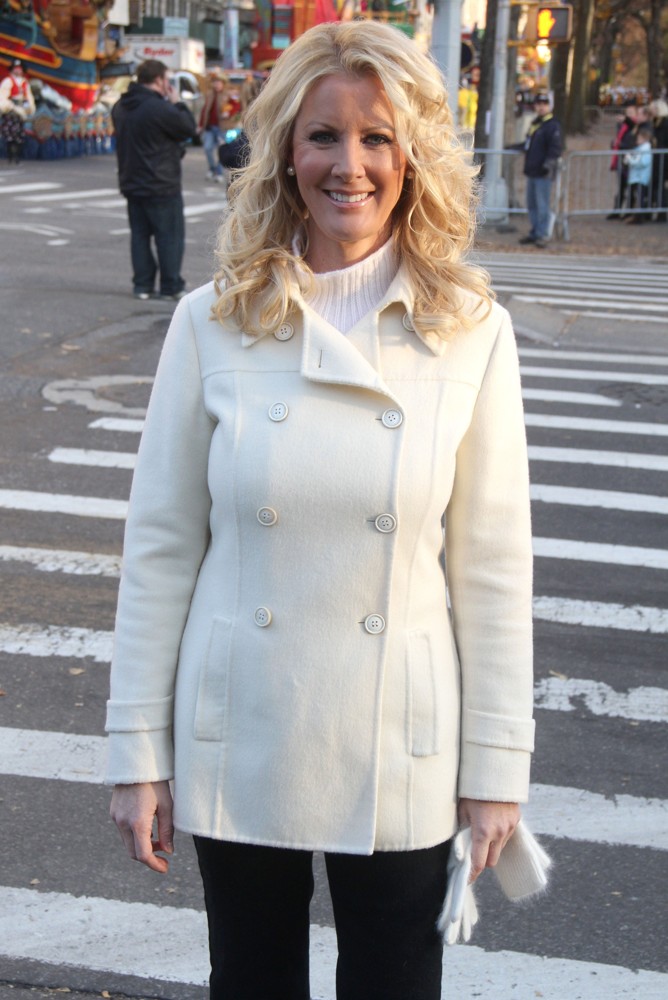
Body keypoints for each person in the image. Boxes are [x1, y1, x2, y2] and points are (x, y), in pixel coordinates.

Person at [107, 20, 535, 1000]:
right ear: (285, 155)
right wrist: (137, 752)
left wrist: (495, 762)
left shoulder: (468, 329)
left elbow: (492, 563)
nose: (349, 165)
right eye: (322, 136)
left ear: (414, 153)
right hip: (240, 727)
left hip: (398, 741)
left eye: (376, 137)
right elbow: (162, 546)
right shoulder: (210, 319)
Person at [112, 59, 197, 301]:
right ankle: (171, 285)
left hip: (131, 180)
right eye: (167, 79)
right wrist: (177, 102)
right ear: (159, 80)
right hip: (161, 181)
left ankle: (142, 285)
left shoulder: (120, 106)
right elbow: (188, 128)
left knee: (139, 236)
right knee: (169, 236)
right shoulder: (158, 108)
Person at [518, 92, 562, 249]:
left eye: (544, 104)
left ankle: (543, 233)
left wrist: (548, 165)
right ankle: (536, 231)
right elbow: (529, 144)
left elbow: (555, 148)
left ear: (549, 106)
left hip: (543, 172)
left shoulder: (552, 125)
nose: (541, 107)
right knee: (532, 204)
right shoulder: (537, 123)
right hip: (532, 170)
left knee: (542, 204)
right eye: (538, 104)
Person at [0, 59, 35, 165]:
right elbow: (3, 97)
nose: (18, 71)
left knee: (19, 136)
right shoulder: (8, 81)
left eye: (19, 69)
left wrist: (29, 108)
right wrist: (11, 107)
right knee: (10, 136)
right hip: (11, 111)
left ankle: (17, 157)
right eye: (16, 69)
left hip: (21, 111)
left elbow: (28, 98)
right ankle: (11, 156)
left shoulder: (25, 83)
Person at [198, 71, 231, 183]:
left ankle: (219, 172)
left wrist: (229, 114)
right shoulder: (209, 94)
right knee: (207, 148)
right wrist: (200, 125)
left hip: (222, 127)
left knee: (221, 150)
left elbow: (236, 107)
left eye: (218, 82)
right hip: (210, 127)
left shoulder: (228, 95)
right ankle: (212, 169)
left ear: (223, 83)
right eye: (215, 82)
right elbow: (204, 110)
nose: (216, 85)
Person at [607, 105, 637, 219]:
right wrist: (614, 143)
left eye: (631, 112)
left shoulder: (634, 126)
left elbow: (632, 142)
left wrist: (621, 145)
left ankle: (629, 211)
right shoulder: (622, 126)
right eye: (627, 112)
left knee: (630, 187)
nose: (628, 114)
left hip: (630, 158)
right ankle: (617, 210)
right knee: (621, 186)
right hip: (621, 158)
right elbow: (618, 139)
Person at [624, 122, 653, 224]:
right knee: (637, 196)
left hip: (641, 177)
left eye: (639, 138)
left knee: (640, 197)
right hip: (636, 176)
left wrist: (631, 160)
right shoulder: (639, 149)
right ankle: (635, 215)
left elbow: (643, 162)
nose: (637, 140)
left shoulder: (646, 149)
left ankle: (639, 217)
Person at [649, 98, 668, 221]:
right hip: (656, 159)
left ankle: (662, 212)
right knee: (655, 185)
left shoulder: (665, 124)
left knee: (661, 186)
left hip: (663, 159)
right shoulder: (656, 122)